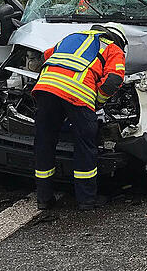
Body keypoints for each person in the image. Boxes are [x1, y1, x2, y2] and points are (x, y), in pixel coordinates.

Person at [32, 23, 126, 211]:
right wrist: (98, 102)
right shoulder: (112, 48)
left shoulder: (71, 37)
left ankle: (43, 199)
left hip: (45, 89)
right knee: (85, 147)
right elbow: (115, 78)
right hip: (78, 93)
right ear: (118, 40)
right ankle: (86, 200)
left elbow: (45, 57)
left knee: (44, 143)